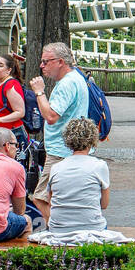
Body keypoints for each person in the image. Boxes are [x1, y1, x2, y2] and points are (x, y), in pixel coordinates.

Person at [28, 42, 89, 222]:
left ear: (60, 62)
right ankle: (66, 228)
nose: (41, 66)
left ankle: (58, 230)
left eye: (46, 62)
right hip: (71, 149)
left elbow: (51, 116)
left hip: (61, 151)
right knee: (62, 197)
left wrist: (39, 93)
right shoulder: (77, 78)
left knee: (40, 196)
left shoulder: (66, 84)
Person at [46, 118, 111, 236]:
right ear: (92, 140)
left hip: (58, 229)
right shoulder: (100, 166)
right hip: (92, 228)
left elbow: (51, 202)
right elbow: (104, 204)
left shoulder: (56, 167)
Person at [0, 53, 28, 153]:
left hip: (9, 136)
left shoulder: (11, 85)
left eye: (0, 65)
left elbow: (20, 112)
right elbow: (0, 111)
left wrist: (0, 120)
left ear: (9, 70)